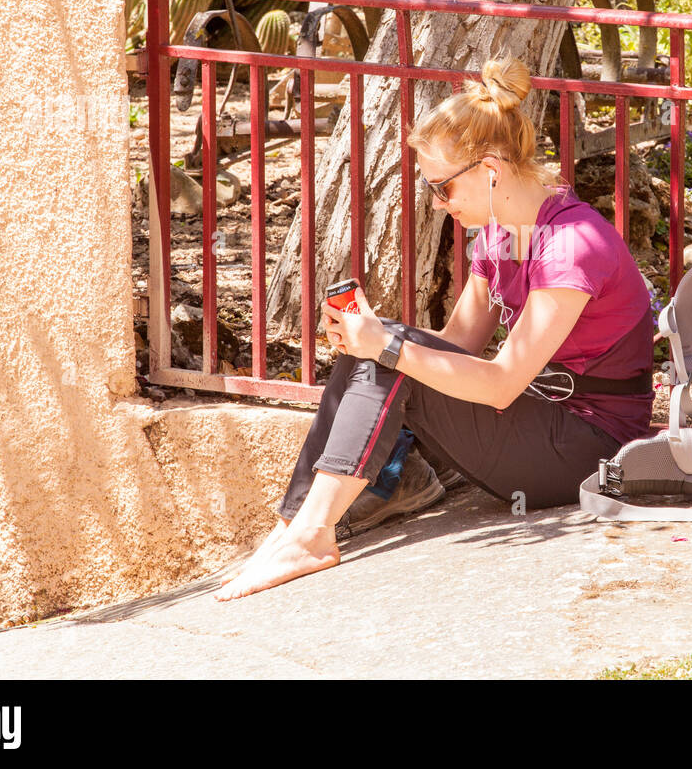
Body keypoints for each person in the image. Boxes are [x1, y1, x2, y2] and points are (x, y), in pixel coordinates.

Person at [214, 54, 655, 601]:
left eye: (443, 188)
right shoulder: (501, 234)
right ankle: (293, 527)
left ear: (490, 171)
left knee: (392, 351)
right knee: (379, 351)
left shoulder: (571, 245)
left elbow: (499, 382)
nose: (439, 204)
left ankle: (311, 535)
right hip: (537, 426)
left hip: (591, 449)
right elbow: (455, 347)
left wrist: (391, 346)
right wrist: (372, 340)